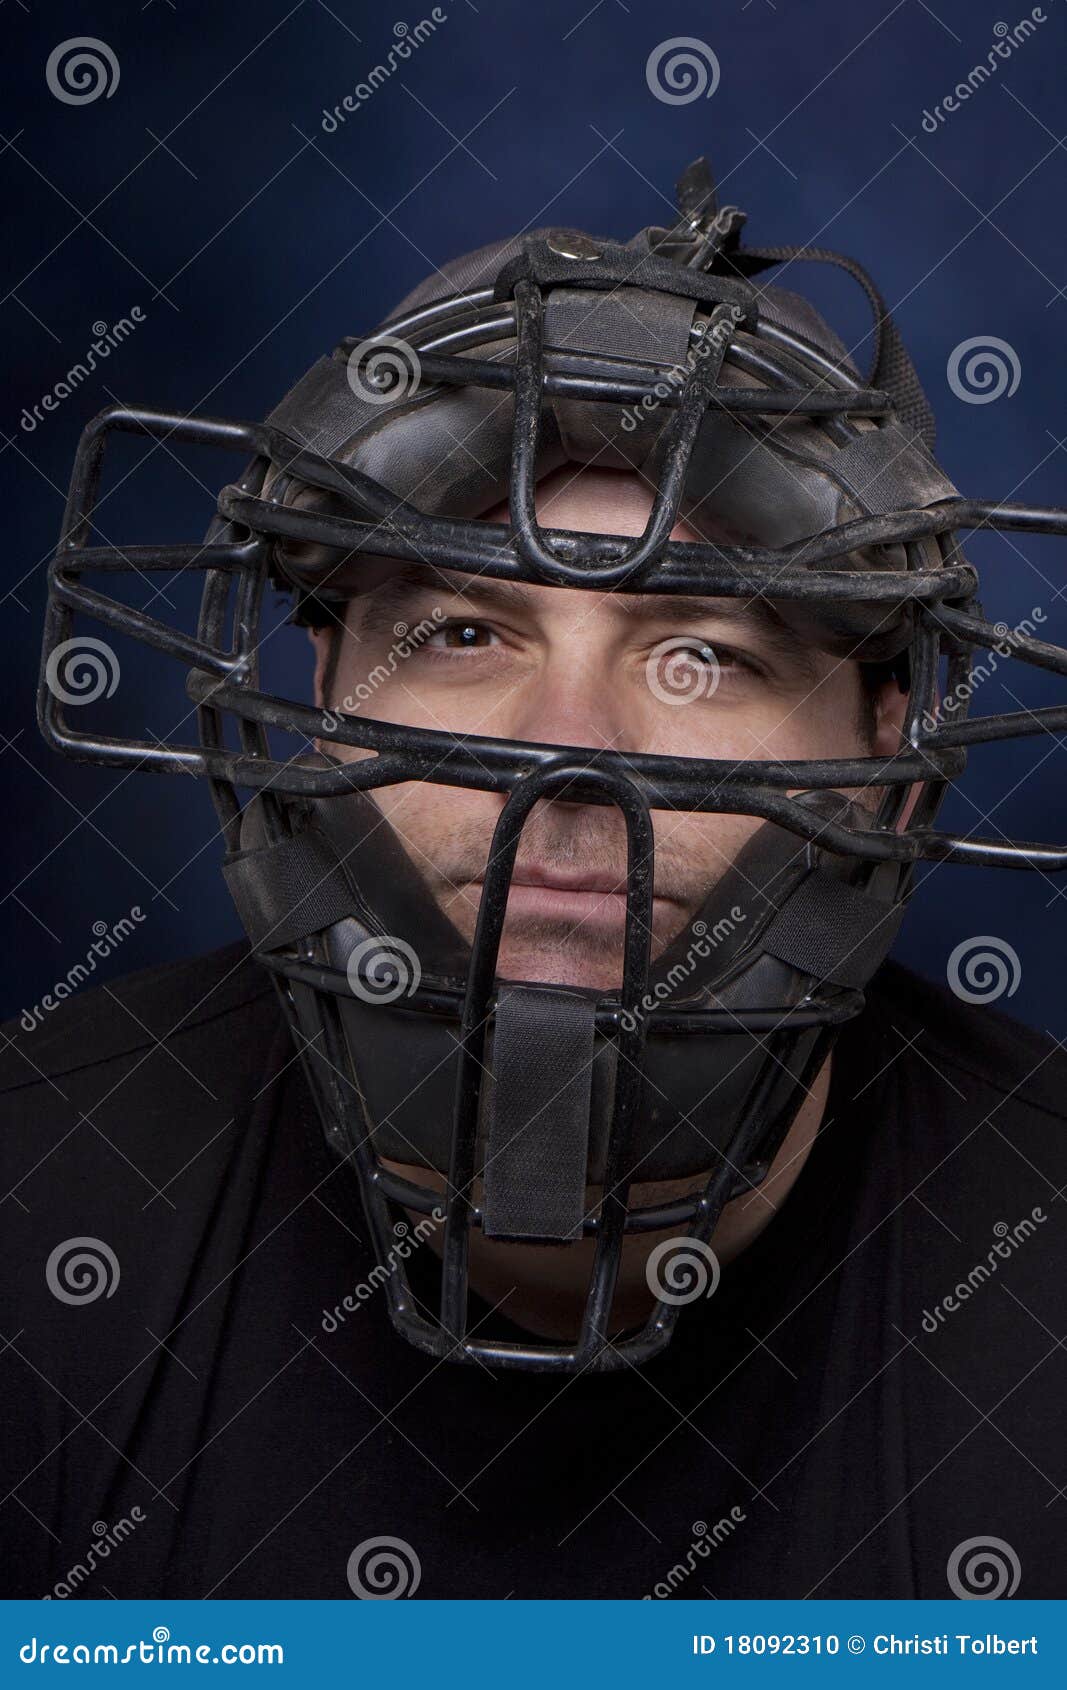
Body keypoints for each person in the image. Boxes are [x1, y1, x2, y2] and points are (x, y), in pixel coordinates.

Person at [4, 156, 1066, 1600]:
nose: (569, 762)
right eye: (459, 634)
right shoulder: (39, 1220)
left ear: (887, 758)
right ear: (322, 689)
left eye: (706, 659)